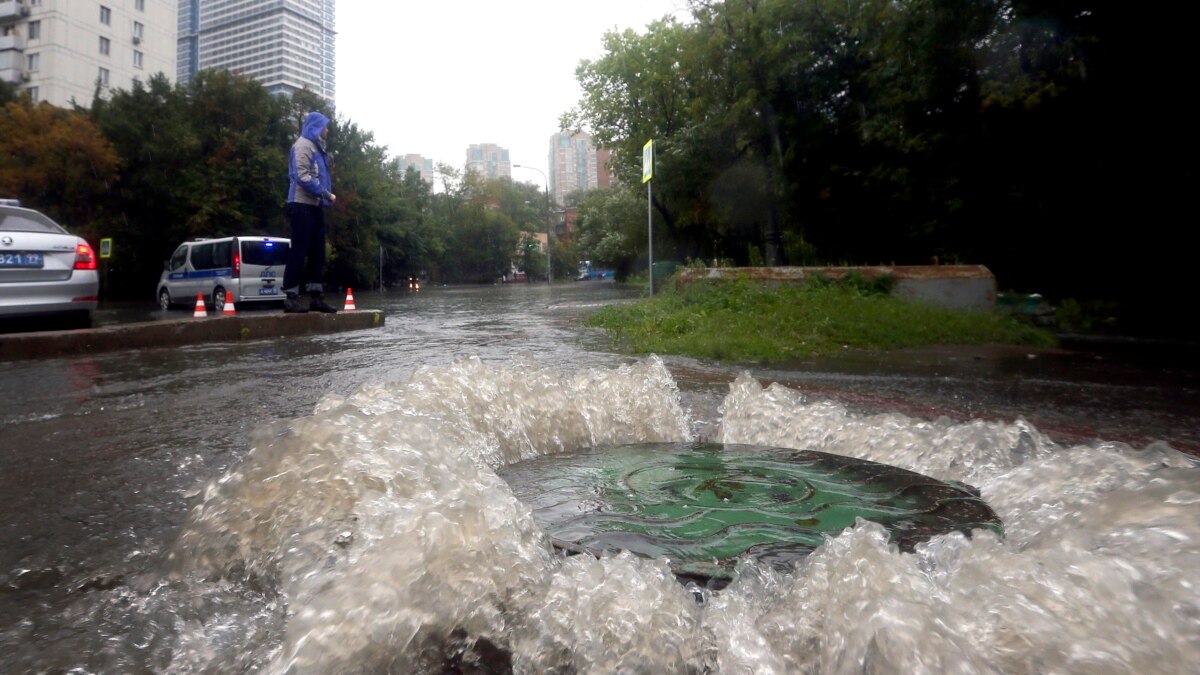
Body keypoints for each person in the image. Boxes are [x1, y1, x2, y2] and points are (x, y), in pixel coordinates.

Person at [283, 111, 338, 313]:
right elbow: (302, 177)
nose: (327, 130)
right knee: (299, 251)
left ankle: (316, 298)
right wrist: (326, 194)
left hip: (314, 206)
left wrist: (323, 198)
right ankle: (290, 297)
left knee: (318, 253)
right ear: (316, 126)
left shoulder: (316, 146)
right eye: (325, 126)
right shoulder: (302, 145)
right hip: (300, 205)